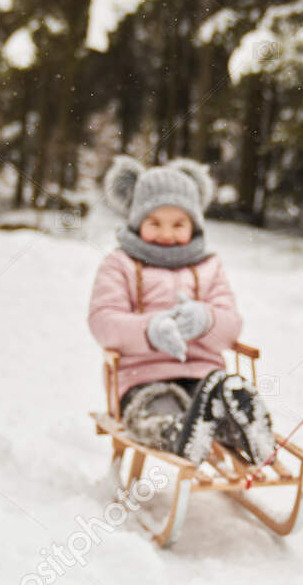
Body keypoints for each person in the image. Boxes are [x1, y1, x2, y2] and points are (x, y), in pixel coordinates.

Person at [88, 155, 275, 465]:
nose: (167, 233)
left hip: (202, 377)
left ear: (194, 224)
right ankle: (181, 434)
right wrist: (149, 330)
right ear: (136, 220)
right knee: (155, 411)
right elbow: (103, 322)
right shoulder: (120, 264)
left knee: (214, 401)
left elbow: (231, 326)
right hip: (143, 377)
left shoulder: (209, 267)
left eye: (178, 224)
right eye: (155, 223)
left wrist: (206, 320)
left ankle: (242, 428)